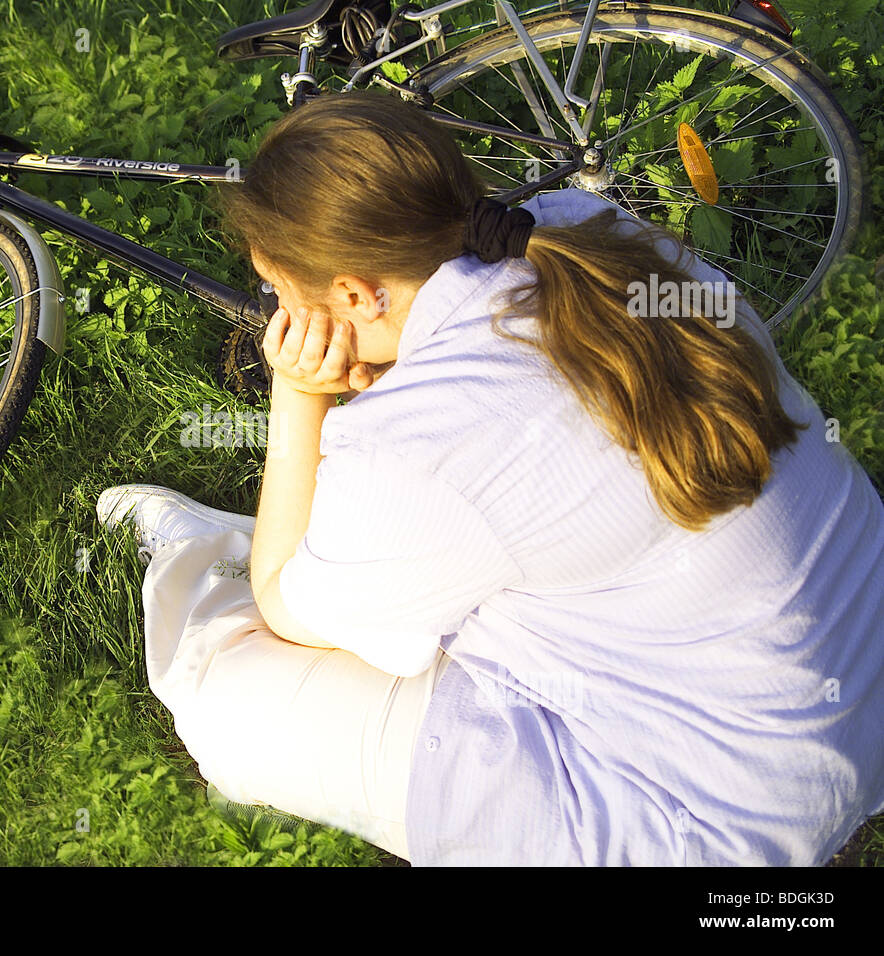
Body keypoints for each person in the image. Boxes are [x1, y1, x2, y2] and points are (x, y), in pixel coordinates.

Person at [96, 90, 884, 865]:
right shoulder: (585, 227)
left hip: (706, 824)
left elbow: (284, 610)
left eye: (282, 291)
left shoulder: (421, 446)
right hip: (858, 694)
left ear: (353, 295)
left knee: (227, 694)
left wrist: (300, 394)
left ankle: (195, 558)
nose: (275, 309)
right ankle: (320, 564)